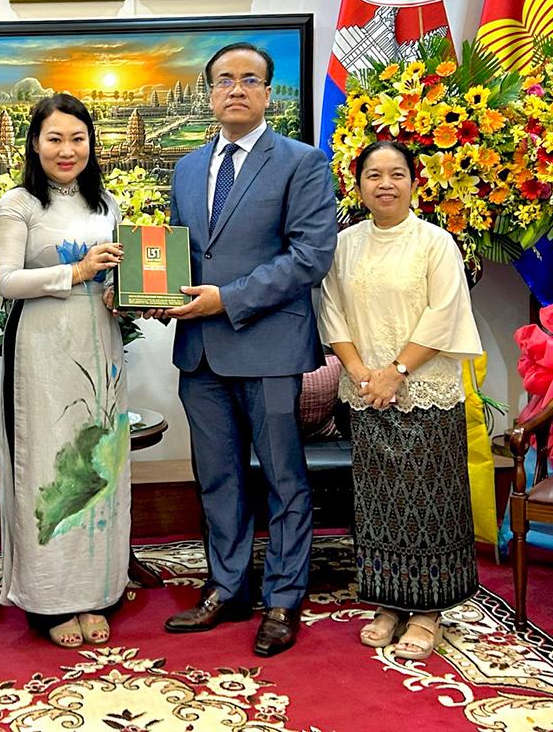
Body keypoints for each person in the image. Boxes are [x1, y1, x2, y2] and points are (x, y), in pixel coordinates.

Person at [161, 42, 337, 657]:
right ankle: (228, 588)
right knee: (218, 478)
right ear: (208, 93)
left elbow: (310, 257)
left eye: (249, 80)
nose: (235, 89)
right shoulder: (184, 167)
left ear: (267, 92)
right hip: (200, 353)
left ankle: (285, 599)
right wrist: (153, 293)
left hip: (269, 346)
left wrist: (225, 299)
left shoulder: (302, 162)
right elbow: (179, 251)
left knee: (284, 481)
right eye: (224, 80)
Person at [319, 141, 482, 660]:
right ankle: (388, 603)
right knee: (379, 504)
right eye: (373, 174)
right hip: (367, 393)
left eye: (396, 174)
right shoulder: (343, 245)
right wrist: (363, 373)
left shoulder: (436, 243)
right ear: (358, 184)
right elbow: (332, 312)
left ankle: (429, 610)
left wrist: (397, 371)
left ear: (415, 181)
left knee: (430, 502)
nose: (384, 183)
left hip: (425, 392)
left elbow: (444, 314)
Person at [0, 93, 129, 649]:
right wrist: (75, 272)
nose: (67, 149)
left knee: (101, 463)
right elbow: (7, 282)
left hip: (101, 343)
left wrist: (127, 295)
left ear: (92, 143)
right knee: (47, 464)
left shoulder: (108, 205)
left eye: (78, 138)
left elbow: (114, 276)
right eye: (55, 138)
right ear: (34, 143)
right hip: (43, 349)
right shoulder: (18, 203)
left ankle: (97, 592)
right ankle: (50, 600)